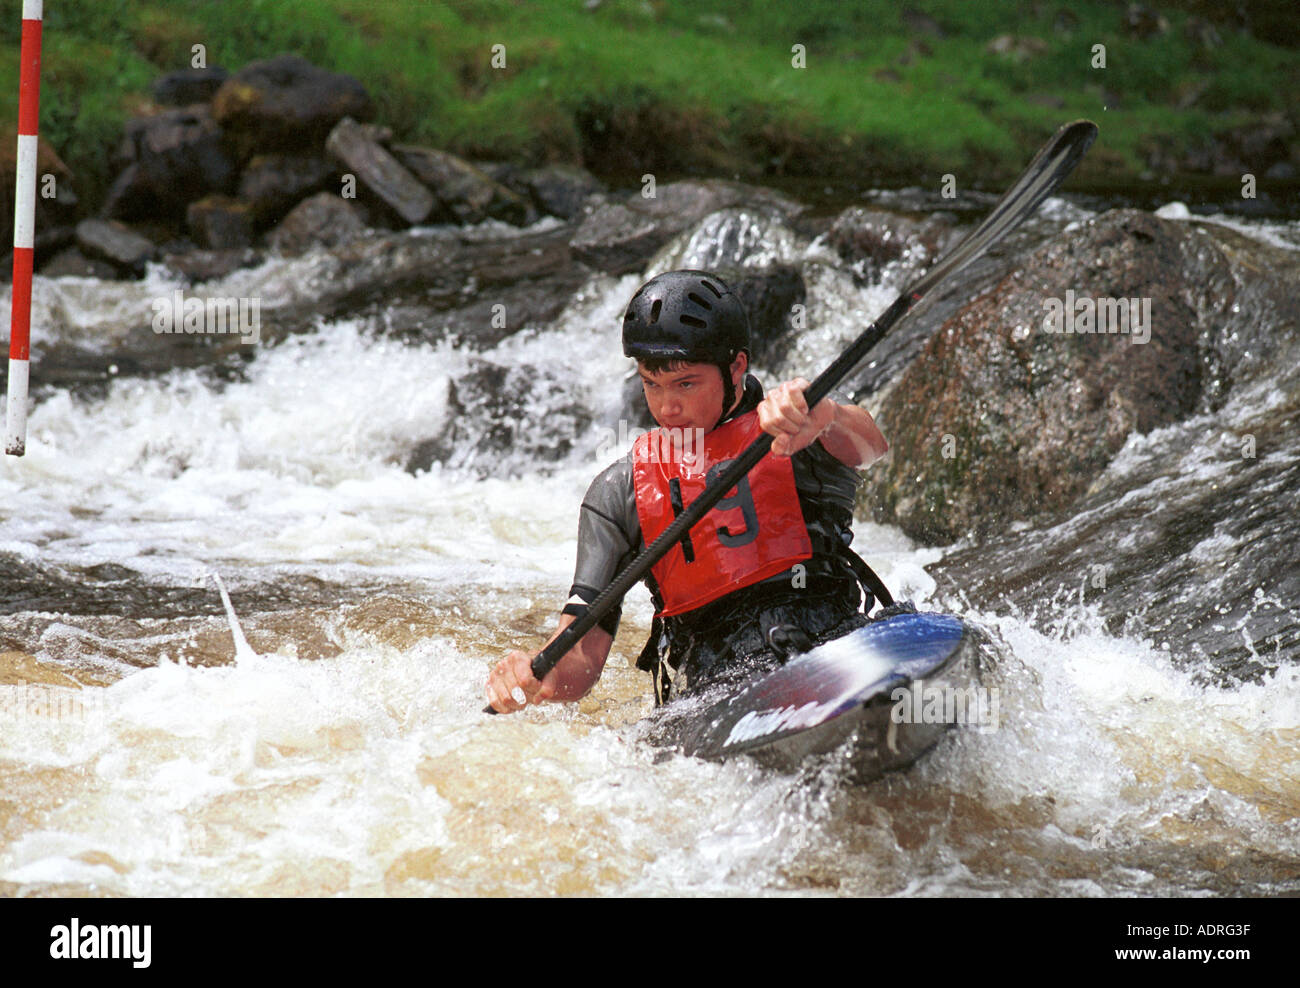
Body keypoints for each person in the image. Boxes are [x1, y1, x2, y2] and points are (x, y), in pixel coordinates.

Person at [485, 269, 890, 714]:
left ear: (736, 367)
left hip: (837, 640)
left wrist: (826, 414)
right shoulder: (619, 492)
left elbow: (871, 446)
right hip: (717, 692)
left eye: (686, 383)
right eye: (651, 384)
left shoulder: (795, 426)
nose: (666, 407)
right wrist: (535, 676)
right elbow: (581, 658)